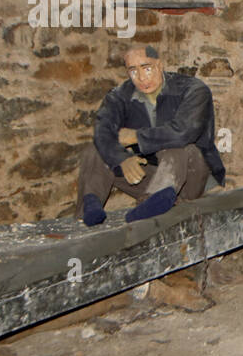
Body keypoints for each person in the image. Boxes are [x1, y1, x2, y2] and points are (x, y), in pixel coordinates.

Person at [77, 45, 225, 226]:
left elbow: (184, 131)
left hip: (193, 177)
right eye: (133, 71)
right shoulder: (119, 96)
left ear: (160, 66)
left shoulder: (193, 89)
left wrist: (136, 137)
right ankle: (91, 204)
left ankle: (151, 201)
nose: (141, 77)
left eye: (147, 68)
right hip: (153, 175)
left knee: (178, 148)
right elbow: (102, 132)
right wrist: (121, 158)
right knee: (95, 150)